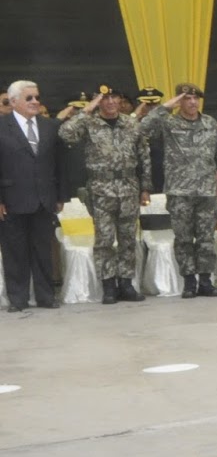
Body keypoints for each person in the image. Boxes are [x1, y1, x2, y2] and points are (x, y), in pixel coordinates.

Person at [138, 84, 217, 299]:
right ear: (179, 101)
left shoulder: (209, 123)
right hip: (179, 191)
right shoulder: (169, 123)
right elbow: (143, 127)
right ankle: (189, 281)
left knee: (206, 238)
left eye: (195, 98)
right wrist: (167, 106)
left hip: (206, 191)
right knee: (184, 239)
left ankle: (206, 280)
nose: (192, 102)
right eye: (187, 98)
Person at [60, 85, 150, 304]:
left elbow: (144, 155)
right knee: (105, 240)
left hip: (129, 187)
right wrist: (87, 110)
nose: (110, 102)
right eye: (105, 98)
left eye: (114, 98)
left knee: (128, 239)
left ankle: (127, 284)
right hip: (101, 189)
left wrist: (145, 187)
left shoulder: (131, 123)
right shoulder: (89, 123)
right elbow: (65, 133)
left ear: (120, 100)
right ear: (98, 101)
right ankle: (109, 285)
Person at [0, 80, 68, 311]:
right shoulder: (1, 126)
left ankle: (46, 296)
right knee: (14, 252)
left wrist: (60, 196)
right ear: (13, 101)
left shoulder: (49, 126)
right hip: (12, 200)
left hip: (44, 199)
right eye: (29, 98)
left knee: (43, 251)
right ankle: (18, 299)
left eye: (37, 97)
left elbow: (59, 164)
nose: (35, 101)